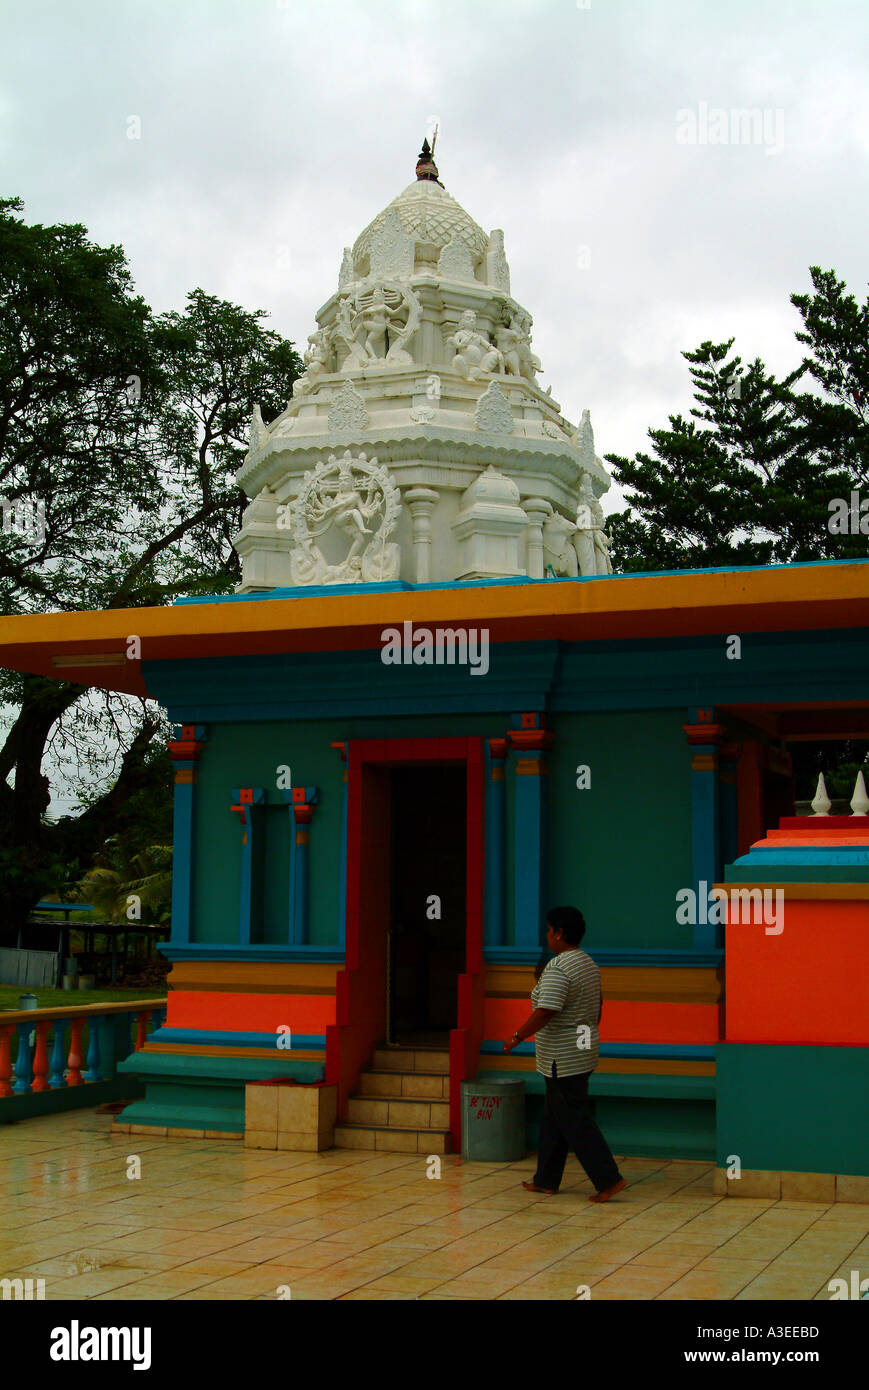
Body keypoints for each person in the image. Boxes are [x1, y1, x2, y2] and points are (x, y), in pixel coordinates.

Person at [503, 905, 626, 1202]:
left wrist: (517, 1036)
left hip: (562, 1056)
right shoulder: (588, 964)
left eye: (549, 930)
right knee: (554, 1116)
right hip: (581, 1051)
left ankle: (608, 1179)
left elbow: (546, 1010)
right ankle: (546, 1178)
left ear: (559, 933)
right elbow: (597, 1006)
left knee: (573, 1118)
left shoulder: (560, 966)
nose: (547, 935)